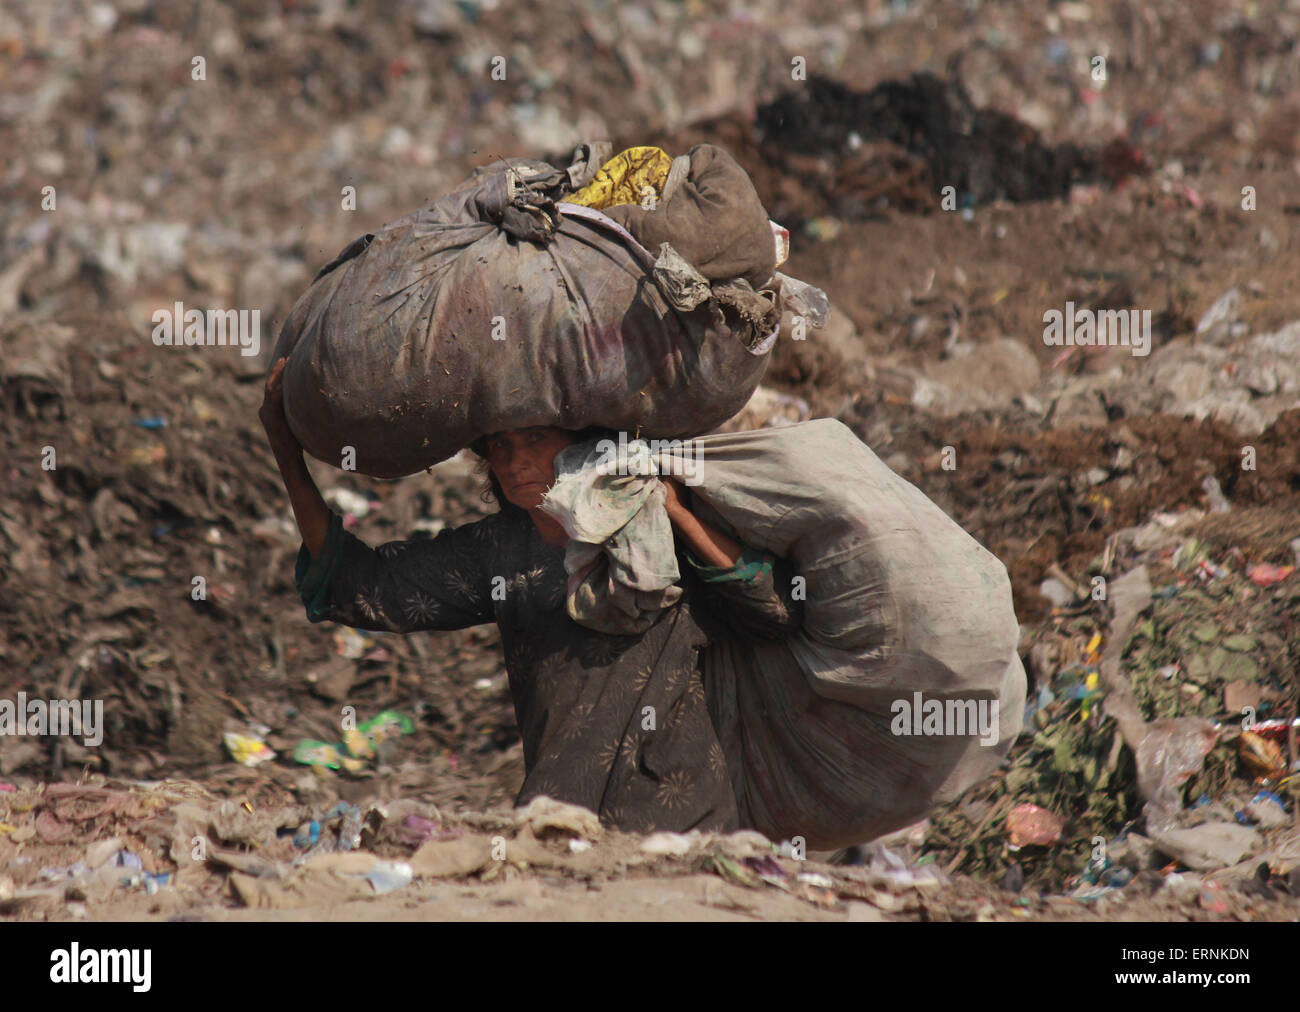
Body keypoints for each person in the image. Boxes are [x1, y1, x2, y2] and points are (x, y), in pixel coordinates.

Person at [260, 357, 804, 834]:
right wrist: (288, 454)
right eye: (500, 446)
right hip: (560, 817)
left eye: (536, 440)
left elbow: (773, 610)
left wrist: (677, 509)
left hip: (684, 815)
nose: (515, 460)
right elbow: (359, 584)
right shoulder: (498, 551)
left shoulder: (653, 530)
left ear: (582, 447)